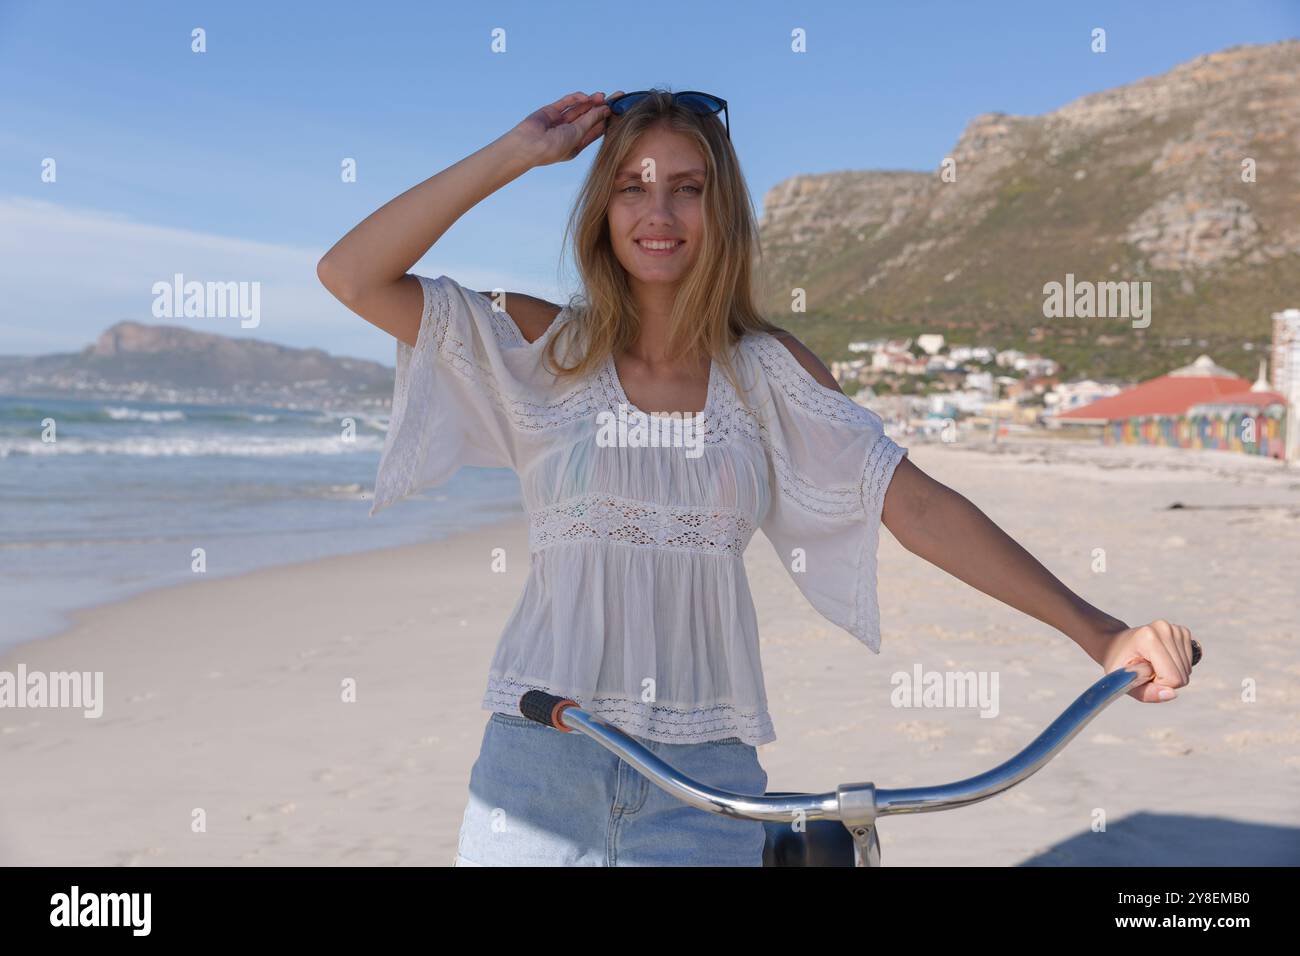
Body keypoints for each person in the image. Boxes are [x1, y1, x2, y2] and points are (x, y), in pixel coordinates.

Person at [316, 88, 1198, 867]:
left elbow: (917, 505)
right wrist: (522, 150)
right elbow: (351, 274)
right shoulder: (546, 347)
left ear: (720, 209)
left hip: (704, 784)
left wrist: (1103, 634)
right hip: (538, 761)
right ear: (602, 208)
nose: (657, 210)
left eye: (686, 187)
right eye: (632, 185)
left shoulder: (770, 374)